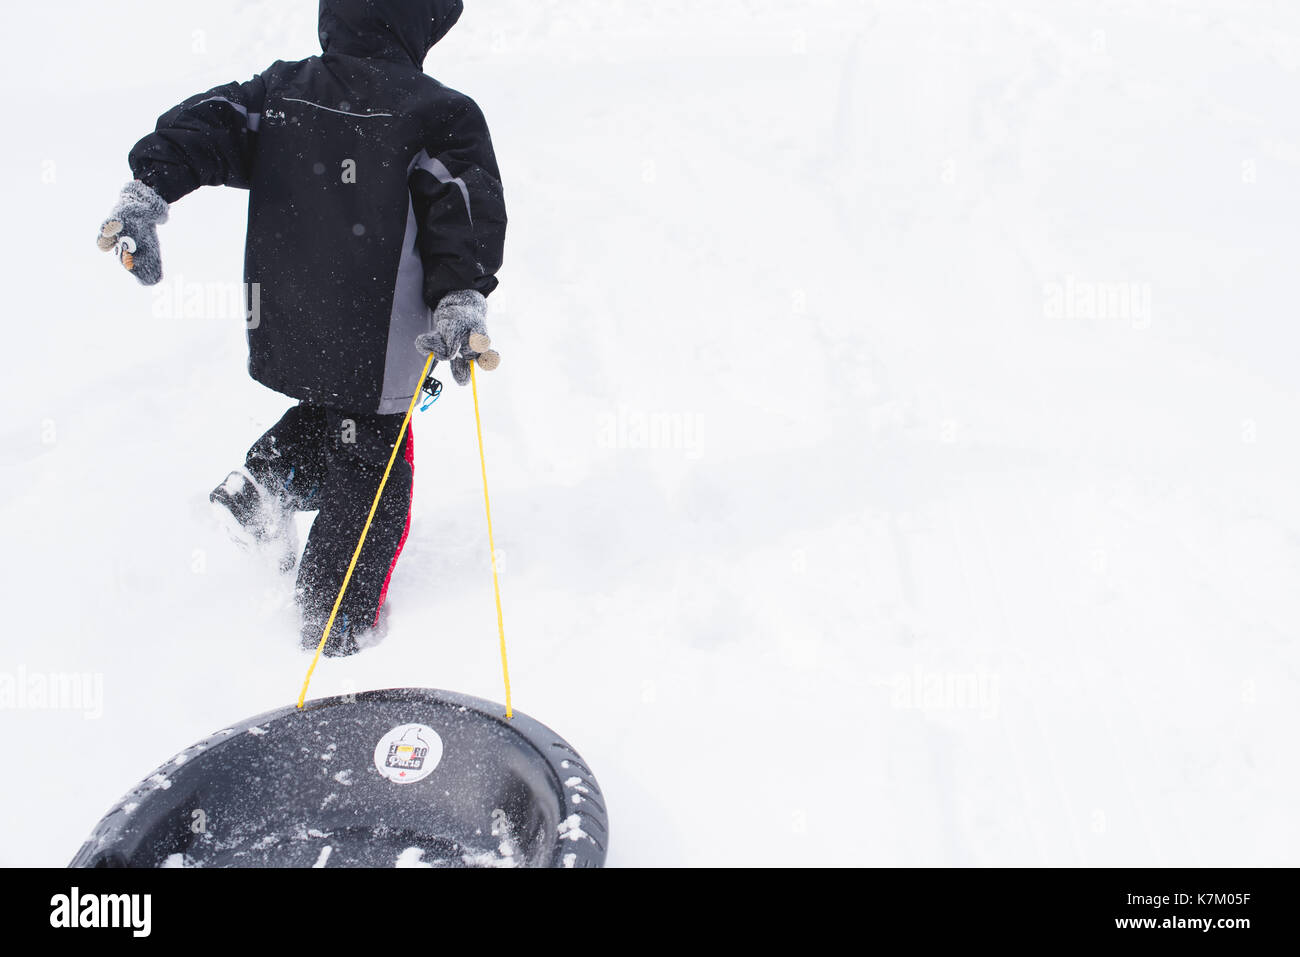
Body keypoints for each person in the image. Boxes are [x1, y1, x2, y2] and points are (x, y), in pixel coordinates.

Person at [96, 0, 507, 656]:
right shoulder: (439, 113)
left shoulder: (283, 91)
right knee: (373, 465)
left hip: (294, 324)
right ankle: (333, 620)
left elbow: (209, 124)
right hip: (378, 333)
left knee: (333, 411)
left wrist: (149, 188)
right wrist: (460, 296)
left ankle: (264, 484)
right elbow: (462, 207)